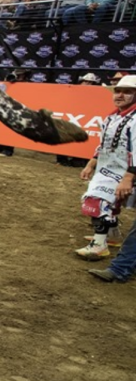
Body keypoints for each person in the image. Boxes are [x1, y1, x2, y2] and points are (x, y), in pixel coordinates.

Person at [76, 75, 136, 260]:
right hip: (109, 168)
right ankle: (112, 235)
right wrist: (91, 163)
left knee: (97, 200)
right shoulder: (112, 117)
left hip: (126, 170)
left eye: (127, 92)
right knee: (107, 200)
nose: (120, 95)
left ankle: (99, 244)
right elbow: (104, 144)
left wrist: (128, 177)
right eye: (118, 91)